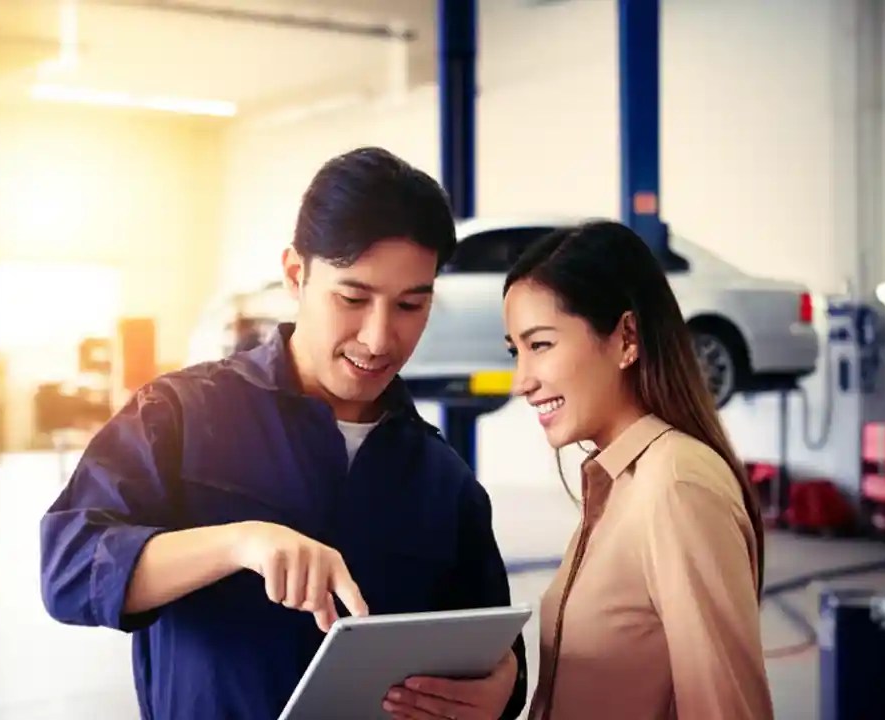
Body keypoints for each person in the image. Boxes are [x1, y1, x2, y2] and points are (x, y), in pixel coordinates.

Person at [40, 147, 527, 720]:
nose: (378, 338)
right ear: (296, 273)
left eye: (410, 306)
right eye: (352, 298)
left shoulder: (444, 480)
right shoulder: (180, 414)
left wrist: (503, 689)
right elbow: (68, 570)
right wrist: (236, 543)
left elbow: (489, 644)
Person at [500, 221, 774, 720]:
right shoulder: (618, 482)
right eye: (514, 351)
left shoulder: (676, 486)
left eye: (540, 346)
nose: (522, 381)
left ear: (626, 336)